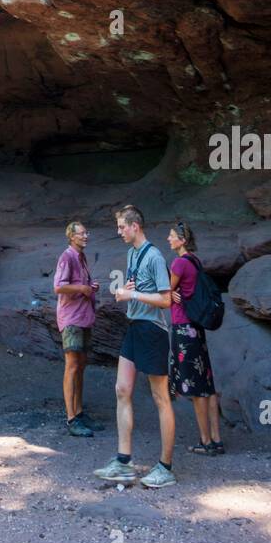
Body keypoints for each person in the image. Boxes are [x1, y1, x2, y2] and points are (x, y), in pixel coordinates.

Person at [94, 205, 176, 488]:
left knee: (160, 397)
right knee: (122, 389)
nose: (118, 232)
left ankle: (165, 468)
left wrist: (134, 293)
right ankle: (123, 462)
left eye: (121, 227)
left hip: (153, 330)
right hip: (134, 326)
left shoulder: (154, 255)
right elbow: (138, 288)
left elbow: (166, 300)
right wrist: (127, 292)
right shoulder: (132, 254)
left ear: (135, 226)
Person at [167, 221, 224, 455]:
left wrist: (168, 293)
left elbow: (165, 293)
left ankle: (205, 441)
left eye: (171, 236)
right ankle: (216, 439)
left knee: (195, 387)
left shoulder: (179, 263)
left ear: (182, 240)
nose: (169, 239)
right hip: (196, 327)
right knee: (207, 384)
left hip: (182, 327)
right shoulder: (195, 261)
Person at [54, 220, 101, 437]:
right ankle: (71, 418)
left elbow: (79, 286)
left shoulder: (81, 258)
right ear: (71, 236)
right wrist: (82, 287)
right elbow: (59, 286)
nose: (85, 236)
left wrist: (89, 287)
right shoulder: (68, 256)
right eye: (81, 233)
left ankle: (80, 412)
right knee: (72, 365)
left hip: (83, 318)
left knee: (81, 365)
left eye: (86, 232)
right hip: (71, 319)